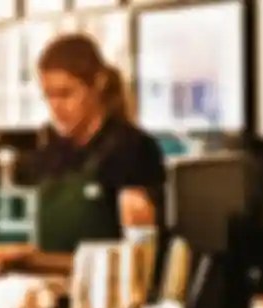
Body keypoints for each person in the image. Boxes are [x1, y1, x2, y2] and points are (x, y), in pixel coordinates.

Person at [33, 34, 167, 254]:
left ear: (98, 82)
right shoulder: (49, 149)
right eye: (49, 95)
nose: (56, 107)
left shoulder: (133, 149)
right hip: (45, 280)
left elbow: (143, 249)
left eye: (66, 94)